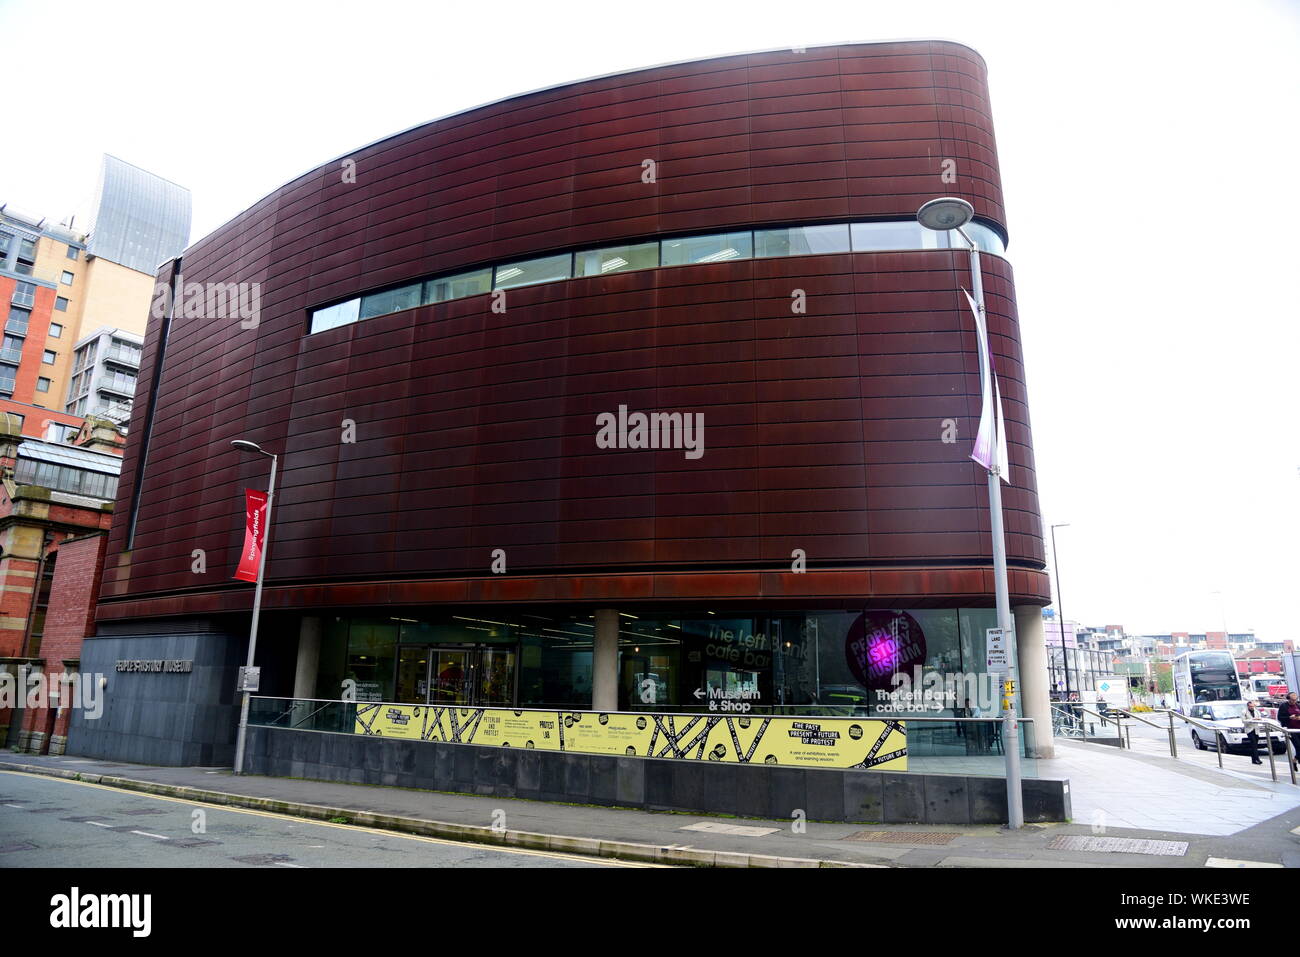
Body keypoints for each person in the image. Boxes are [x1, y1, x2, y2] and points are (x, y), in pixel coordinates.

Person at [1277, 693, 1300, 771]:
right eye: (1292, 700)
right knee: (1298, 746)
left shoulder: (1298, 705)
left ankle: (1295, 760)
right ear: (1288, 699)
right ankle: (1295, 760)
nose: (1294, 701)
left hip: (1298, 728)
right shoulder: (1283, 706)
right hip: (1290, 729)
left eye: (1295, 700)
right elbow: (1280, 717)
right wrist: (1289, 717)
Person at [1243, 699, 1266, 765]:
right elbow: (1243, 720)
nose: (1252, 708)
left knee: (1255, 744)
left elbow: (1260, 718)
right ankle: (1257, 759)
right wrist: (1252, 719)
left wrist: (1258, 719)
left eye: (1253, 706)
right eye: (1250, 706)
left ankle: (1253, 759)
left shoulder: (1256, 711)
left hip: (1256, 729)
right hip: (1249, 729)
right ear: (1248, 706)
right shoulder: (1244, 712)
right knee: (1253, 744)